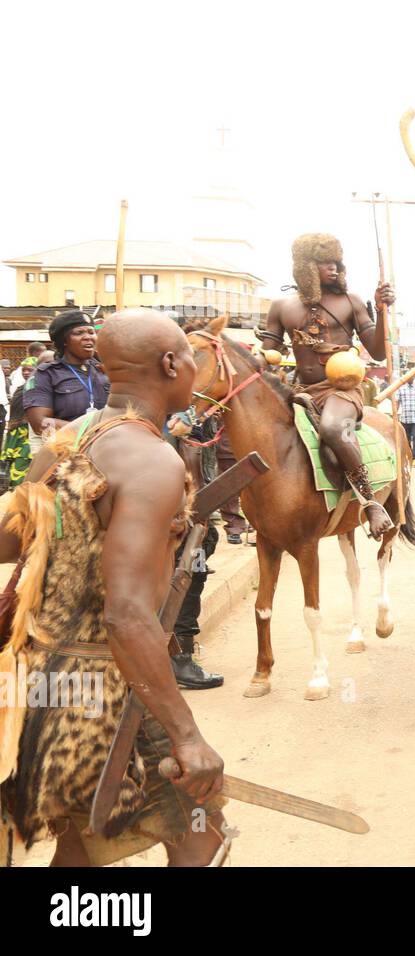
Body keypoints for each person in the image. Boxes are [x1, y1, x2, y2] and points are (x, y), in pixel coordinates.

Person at [0, 309, 230, 867]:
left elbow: (7, 541)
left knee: (83, 847)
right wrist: (186, 735)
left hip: (43, 685)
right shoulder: (151, 460)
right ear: (172, 364)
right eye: (191, 360)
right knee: (202, 836)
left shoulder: (71, 438)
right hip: (107, 692)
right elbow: (127, 614)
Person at [259, 234, 395, 539]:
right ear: (306, 267)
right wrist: (266, 356)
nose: (334, 268)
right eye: (325, 263)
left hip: (341, 390)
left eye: (337, 262)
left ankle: (370, 502)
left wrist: (382, 310)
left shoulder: (351, 302)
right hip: (300, 392)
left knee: (333, 429)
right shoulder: (281, 306)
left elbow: (377, 352)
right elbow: (270, 353)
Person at [162, 407, 225, 691]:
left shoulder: (192, 412)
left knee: (193, 577)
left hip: (194, 517)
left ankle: (182, 654)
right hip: (161, 518)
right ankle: (173, 658)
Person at [24, 311, 110, 457]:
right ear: (64, 340)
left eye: (91, 332)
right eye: (79, 332)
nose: (88, 337)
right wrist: (92, 431)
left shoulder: (105, 370)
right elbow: (40, 424)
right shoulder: (44, 375)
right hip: (67, 457)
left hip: (108, 451)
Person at [1, 358, 39, 488]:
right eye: (24, 370)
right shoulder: (20, 388)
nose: (26, 373)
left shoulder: (39, 389)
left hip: (30, 435)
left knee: (27, 464)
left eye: (30, 369)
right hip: (17, 435)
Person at [395, 373, 415, 467]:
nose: (410, 378)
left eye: (411, 376)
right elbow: (397, 403)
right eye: (408, 377)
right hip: (404, 418)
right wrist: (395, 415)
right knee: (406, 439)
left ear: (414, 378)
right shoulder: (400, 389)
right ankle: (409, 456)